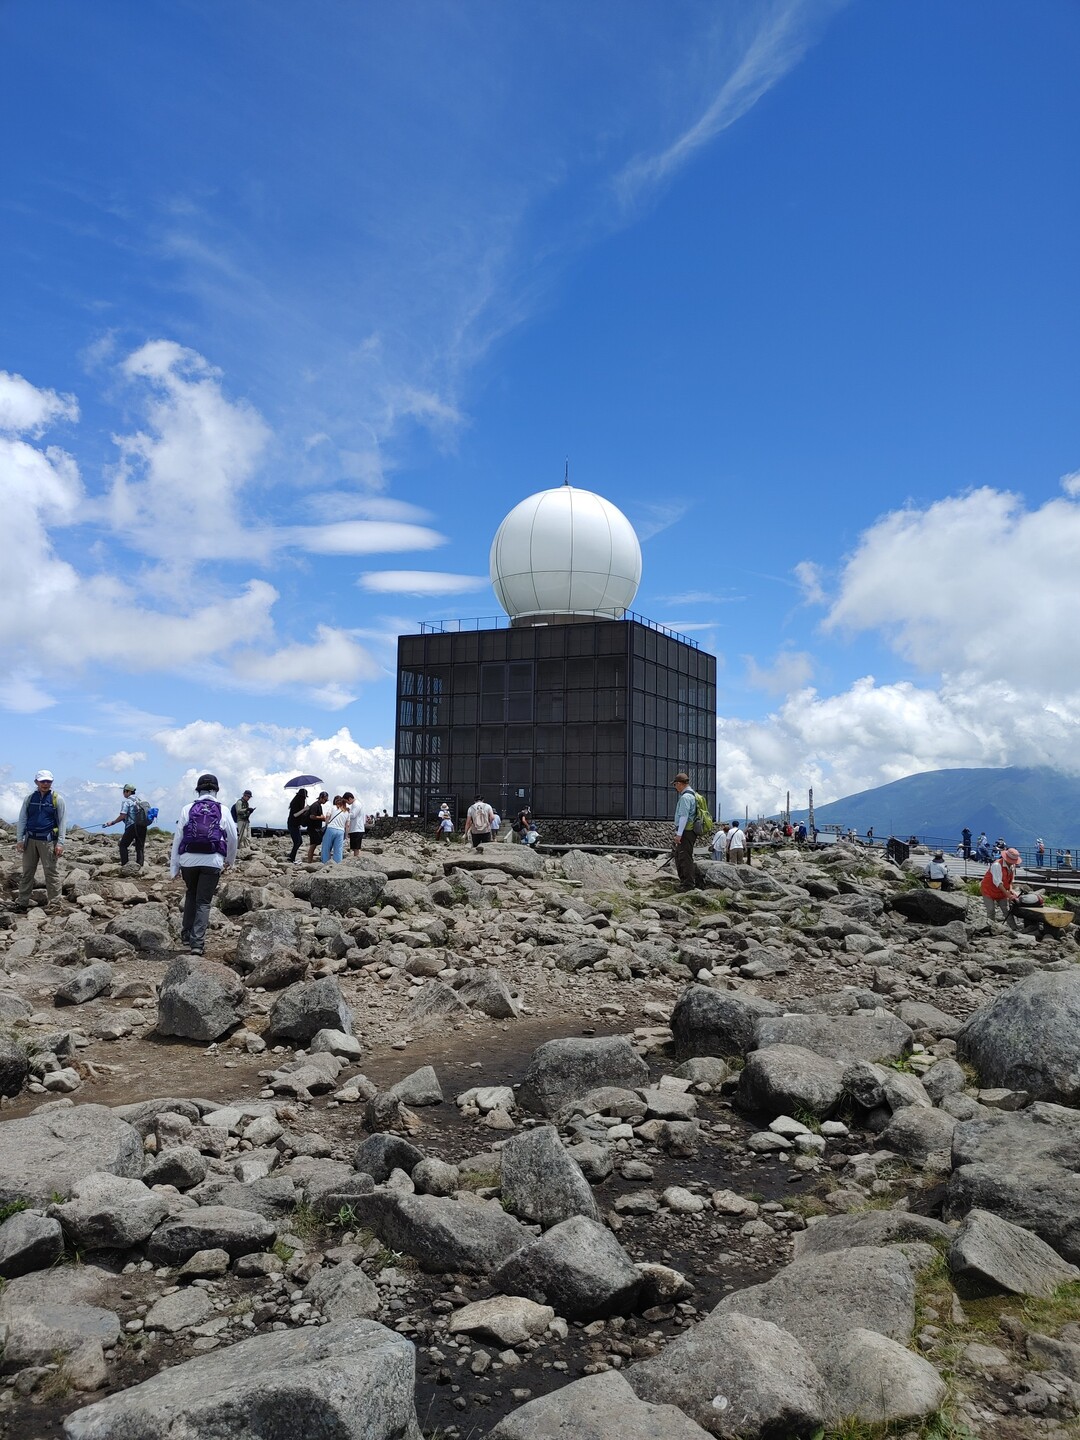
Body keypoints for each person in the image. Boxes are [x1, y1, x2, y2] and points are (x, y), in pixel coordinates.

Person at [170, 773, 237, 956]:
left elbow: (178, 838)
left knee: (191, 894)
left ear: (198, 789)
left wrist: (174, 866)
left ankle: (186, 935)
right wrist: (230, 860)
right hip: (212, 860)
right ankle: (197, 944)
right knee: (204, 902)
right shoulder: (222, 809)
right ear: (216, 790)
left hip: (188, 860)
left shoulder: (187, 808)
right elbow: (233, 836)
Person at [15, 770, 67, 912]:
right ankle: (22, 903)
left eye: (48, 781)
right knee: (27, 872)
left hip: (48, 841)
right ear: (36, 782)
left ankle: (55, 904)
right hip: (30, 840)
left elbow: (62, 822)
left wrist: (60, 843)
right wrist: (20, 839)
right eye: (43, 781)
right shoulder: (29, 798)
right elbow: (22, 819)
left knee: (51, 872)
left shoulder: (57, 799)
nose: (45, 784)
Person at [103, 783, 147, 867]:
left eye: (124, 791)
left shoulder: (127, 802)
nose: (123, 793)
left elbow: (123, 815)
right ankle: (140, 866)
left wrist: (113, 822)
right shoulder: (140, 801)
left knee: (123, 845)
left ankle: (125, 865)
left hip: (132, 826)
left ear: (128, 792)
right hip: (142, 826)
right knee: (140, 847)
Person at [671, 772, 701, 892]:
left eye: (675, 784)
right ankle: (685, 882)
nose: (675, 787)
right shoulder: (693, 795)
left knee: (684, 857)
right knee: (681, 856)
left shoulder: (685, 797)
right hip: (690, 831)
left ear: (679, 784)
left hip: (685, 831)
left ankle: (687, 884)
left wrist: (679, 834)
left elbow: (683, 816)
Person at [980, 846, 1021, 930]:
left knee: (1006, 910)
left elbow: (1010, 882)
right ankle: (990, 928)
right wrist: (1008, 896)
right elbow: (998, 883)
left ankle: (1014, 928)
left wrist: (1010, 890)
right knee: (991, 910)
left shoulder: (1012, 867)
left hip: (1001, 892)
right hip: (988, 890)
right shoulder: (996, 865)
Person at [321, 795, 349, 864]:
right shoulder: (346, 812)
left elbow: (327, 817)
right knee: (338, 849)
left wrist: (327, 823)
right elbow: (347, 825)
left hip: (331, 828)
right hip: (341, 831)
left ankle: (325, 862)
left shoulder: (333, 807)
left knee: (326, 847)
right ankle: (337, 863)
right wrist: (346, 835)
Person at [305, 792, 329, 863]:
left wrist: (323, 818)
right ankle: (309, 861)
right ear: (321, 797)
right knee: (313, 845)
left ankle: (310, 860)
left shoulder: (319, 805)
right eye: (325, 800)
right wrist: (321, 818)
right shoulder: (315, 805)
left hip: (315, 828)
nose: (325, 801)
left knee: (313, 844)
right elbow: (312, 816)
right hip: (313, 828)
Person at [286, 788, 308, 863]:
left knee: (299, 841)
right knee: (297, 841)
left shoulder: (299, 801)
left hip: (295, 825)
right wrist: (304, 809)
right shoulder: (296, 803)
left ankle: (291, 855)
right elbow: (295, 815)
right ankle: (291, 857)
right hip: (292, 824)